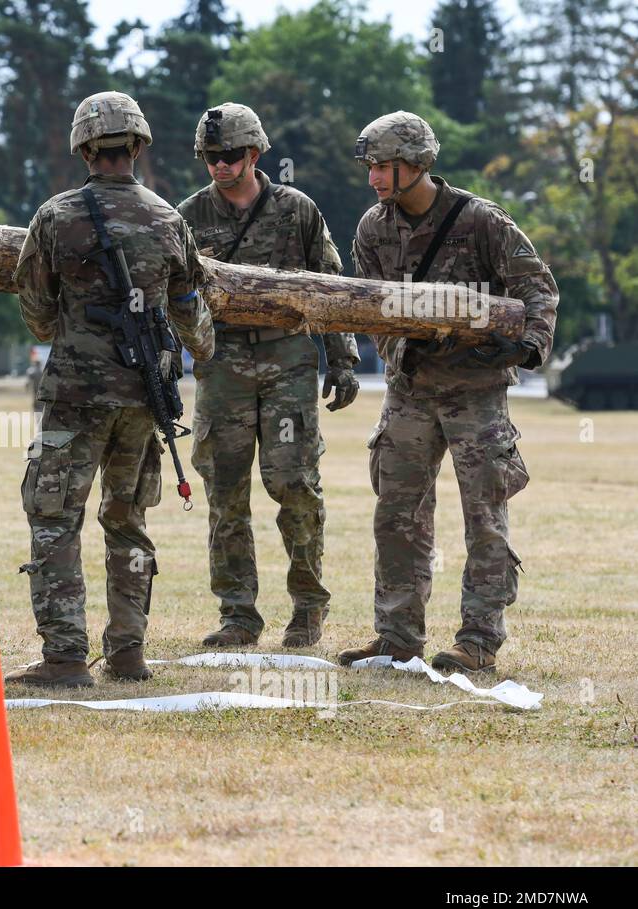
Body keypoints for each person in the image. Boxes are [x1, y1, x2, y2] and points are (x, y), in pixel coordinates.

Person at [6, 91, 214, 688]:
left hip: (74, 396)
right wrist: (198, 349)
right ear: (140, 146)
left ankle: (66, 657)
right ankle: (128, 653)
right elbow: (191, 313)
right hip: (143, 402)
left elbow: (39, 314)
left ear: (83, 149)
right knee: (127, 522)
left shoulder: (55, 217)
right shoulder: (171, 220)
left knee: (54, 520)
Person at [338, 111, 558, 674]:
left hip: (477, 393)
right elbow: (372, 308)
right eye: (370, 167)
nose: (374, 179)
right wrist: (399, 351)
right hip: (409, 392)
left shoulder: (481, 220)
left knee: (484, 516)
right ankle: (396, 635)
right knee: (397, 515)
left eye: (383, 166)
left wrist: (525, 347)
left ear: (416, 164)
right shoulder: (372, 229)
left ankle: (479, 639)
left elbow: (537, 287)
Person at [177, 103, 360, 649]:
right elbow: (173, 294)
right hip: (221, 365)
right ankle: (238, 614)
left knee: (293, 483)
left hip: (287, 361)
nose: (220, 165)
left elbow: (330, 287)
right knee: (224, 493)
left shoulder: (296, 210)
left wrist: (343, 358)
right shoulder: (188, 217)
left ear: (255, 154)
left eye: (230, 155)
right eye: (211, 156)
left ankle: (308, 606)